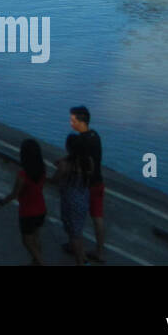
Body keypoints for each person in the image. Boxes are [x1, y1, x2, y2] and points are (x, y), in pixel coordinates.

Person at [0, 139, 47, 266]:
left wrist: (1, 202)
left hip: (28, 212)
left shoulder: (23, 175)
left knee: (27, 241)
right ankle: (36, 261)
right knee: (35, 237)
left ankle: (40, 262)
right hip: (41, 209)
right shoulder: (42, 169)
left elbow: (14, 195)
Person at [70, 106, 106, 262]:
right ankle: (99, 250)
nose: (71, 123)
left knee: (76, 216)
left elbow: (78, 162)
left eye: (73, 120)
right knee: (97, 217)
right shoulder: (95, 135)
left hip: (85, 184)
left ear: (80, 121)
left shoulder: (80, 141)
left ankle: (77, 247)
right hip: (99, 181)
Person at [54, 134, 93, 266]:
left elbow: (55, 179)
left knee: (73, 234)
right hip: (83, 199)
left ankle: (80, 262)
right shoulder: (88, 162)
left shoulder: (65, 165)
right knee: (78, 231)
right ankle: (84, 260)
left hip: (70, 202)